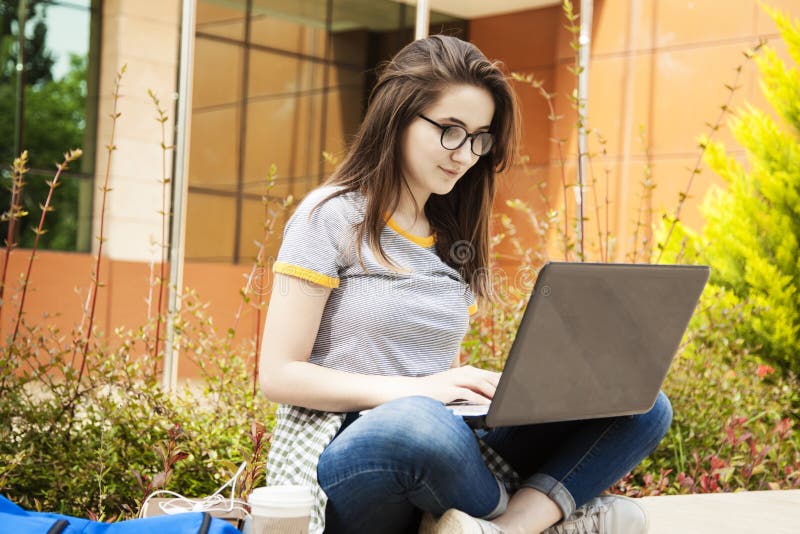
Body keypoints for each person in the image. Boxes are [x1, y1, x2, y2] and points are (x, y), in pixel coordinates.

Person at [259, 35, 672, 534]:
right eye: (449, 130)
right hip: (351, 450)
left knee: (639, 402)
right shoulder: (330, 216)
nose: (465, 154)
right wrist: (420, 392)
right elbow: (279, 375)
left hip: (441, 439)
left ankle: (511, 528)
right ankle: (549, 522)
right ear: (398, 116)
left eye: (479, 137)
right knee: (418, 423)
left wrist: (501, 391)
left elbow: (435, 374)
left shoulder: (451, 238)